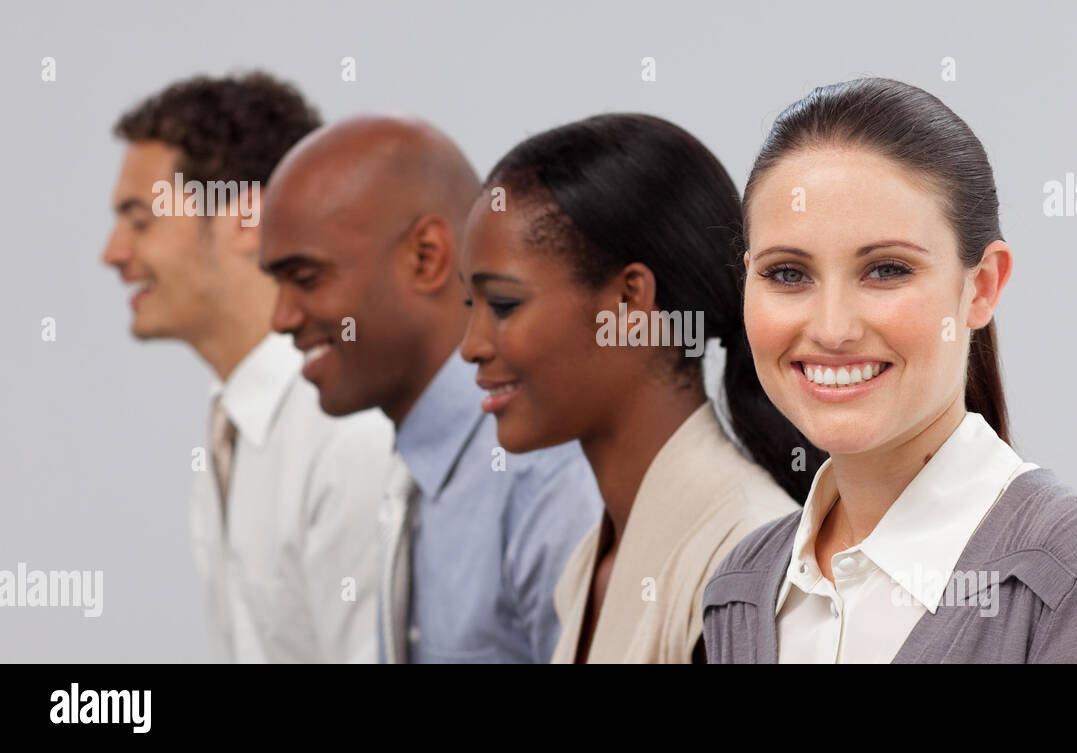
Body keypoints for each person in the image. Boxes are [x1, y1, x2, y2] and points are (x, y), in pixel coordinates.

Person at [702, 77, 1077, 663]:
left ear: (982, 286)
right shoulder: (741, 591)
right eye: (787, 273)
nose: (832, 329)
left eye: (887, 270)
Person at [459, 113, 818, 663]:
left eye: (504, 305)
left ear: (629, 303)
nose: (472, 345)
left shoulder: (742, 560)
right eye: (470, 306)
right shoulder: (592, 561)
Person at [259, 115, 602, 663]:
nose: (280, 317)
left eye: (305, 278)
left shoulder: (542, 476)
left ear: (426, 256)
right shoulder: (424, 464)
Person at [102, 72, 394, 662]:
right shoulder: (231, 422)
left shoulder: (349, 433)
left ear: (246, 219)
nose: (113, 253)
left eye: (140, 220)